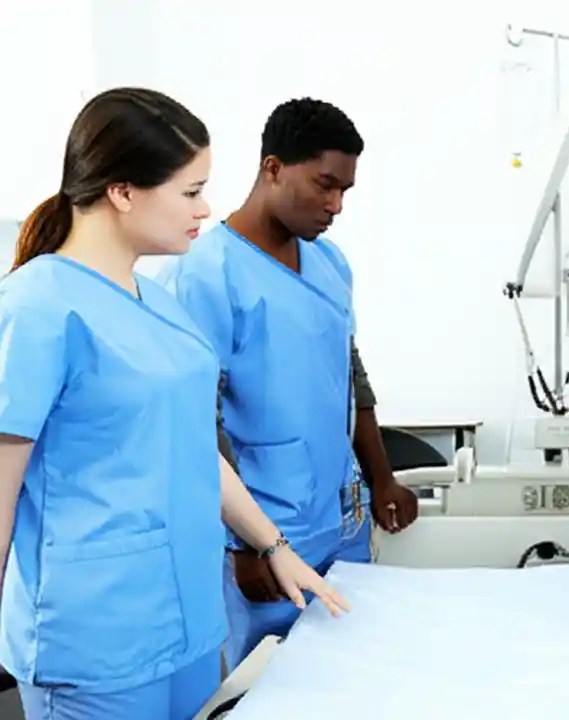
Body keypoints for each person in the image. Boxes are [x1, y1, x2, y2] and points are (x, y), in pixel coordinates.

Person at [0, 88, 348, 720]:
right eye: (190, 192)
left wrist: (274, 548)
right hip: (93, 642)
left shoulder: (159, 304)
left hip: (186, 626)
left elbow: (193, 447)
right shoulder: (36, 306)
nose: (206, 208)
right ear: (122, 190)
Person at [157, 97, 419, 671]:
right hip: (270, 536)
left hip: (343, 524)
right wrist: (244, 544)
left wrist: (382, 479)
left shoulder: (330, 263)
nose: (336, 205)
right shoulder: (206, 271)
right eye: (324, 185)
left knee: (350, 682)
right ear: (272, 168)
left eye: (345, 191)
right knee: (269, 686)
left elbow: (349, 375)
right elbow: (200, 418)